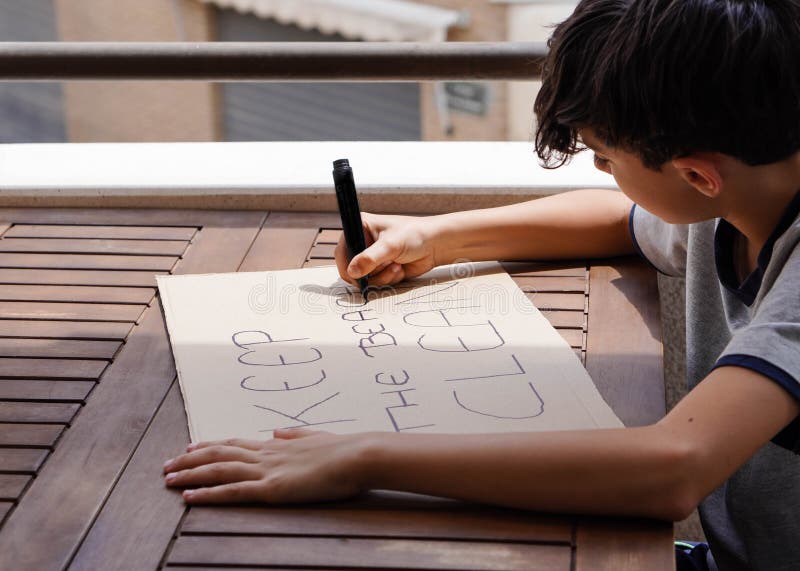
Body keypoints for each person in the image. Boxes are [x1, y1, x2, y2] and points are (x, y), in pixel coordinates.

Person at [163, 1, 800, 568]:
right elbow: (617, 219)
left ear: (697, 176)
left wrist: (361, 457)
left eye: (605, 158)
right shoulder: (738, 198)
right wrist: (436, 239)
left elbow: (675, 466)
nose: (602, 172)